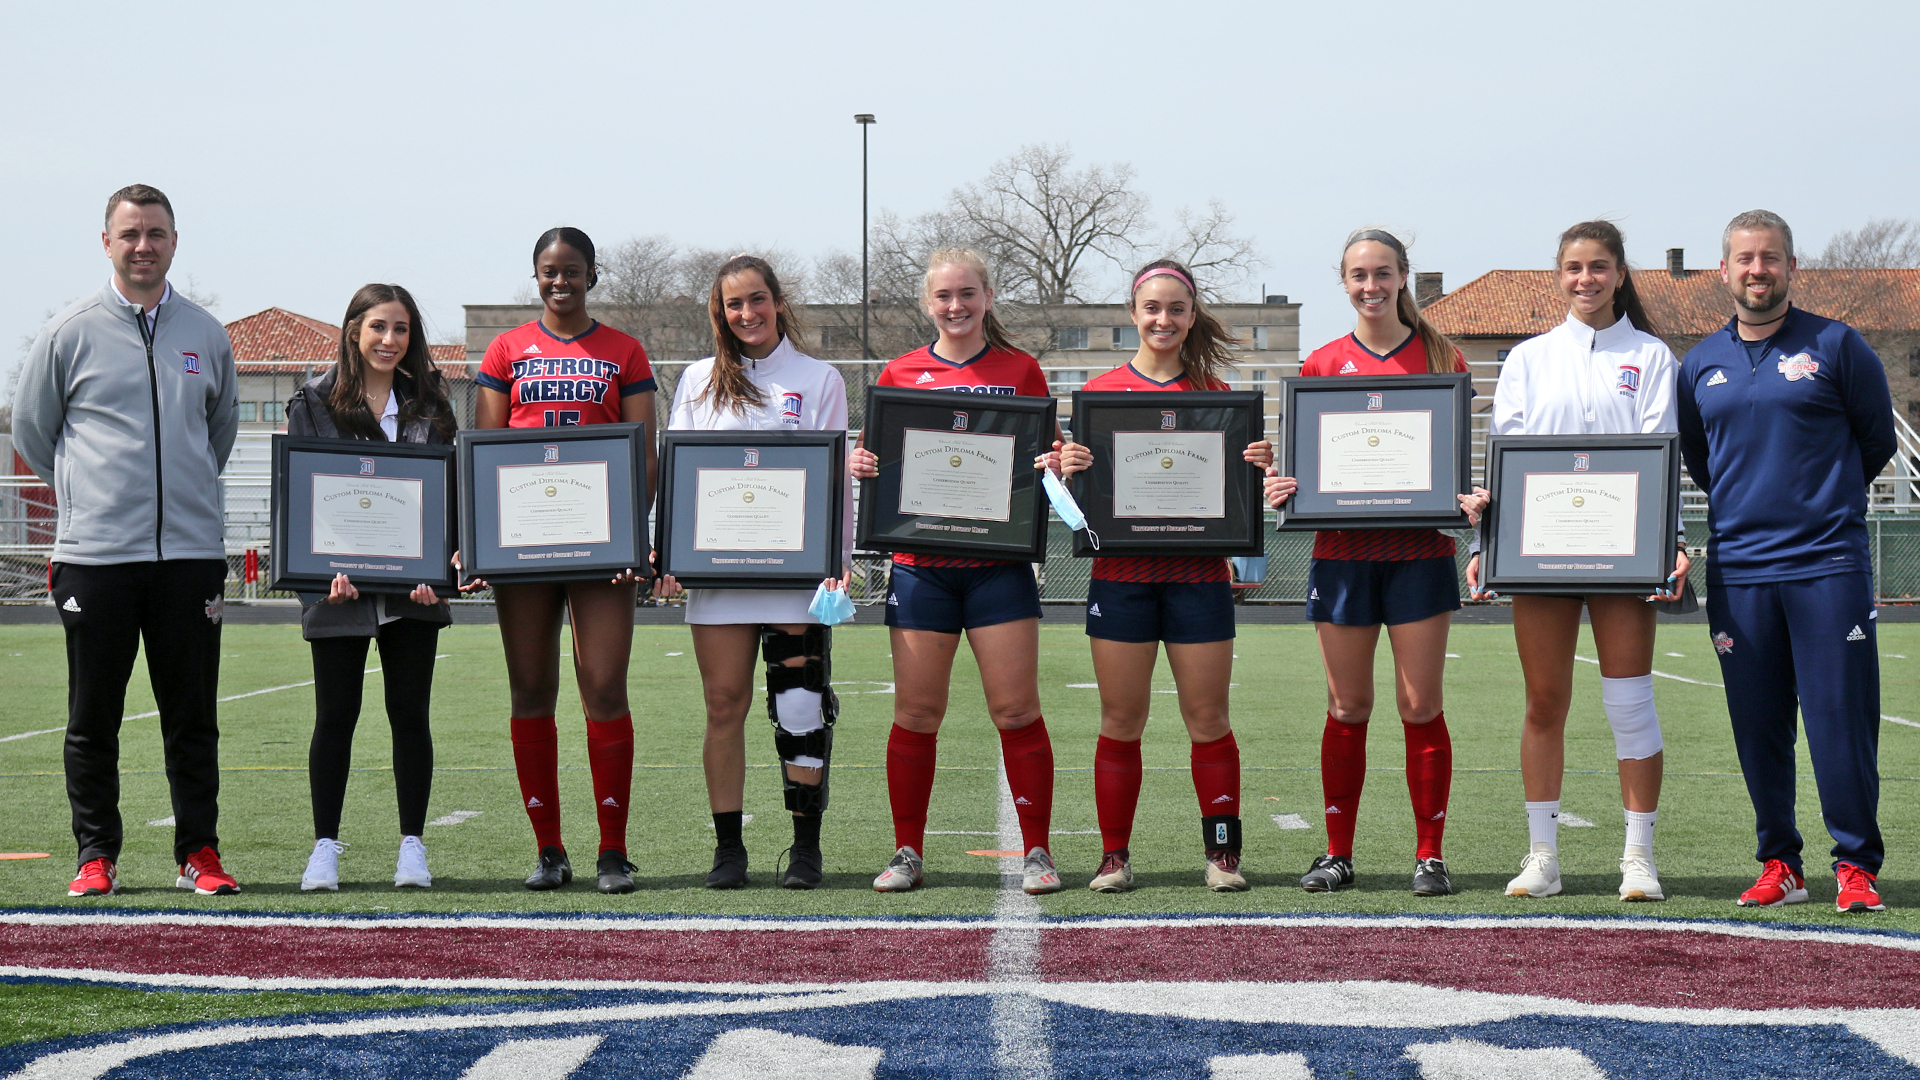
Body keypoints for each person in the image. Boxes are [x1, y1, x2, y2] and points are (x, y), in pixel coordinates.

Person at [14, 184, 242, 897]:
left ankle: (198, 852)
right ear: (106, 242)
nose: (144, 245)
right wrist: (94, 499)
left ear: (175, 241)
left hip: (189, 558)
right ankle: (95, 854)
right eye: (130, 233)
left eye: (157, 233)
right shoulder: (69, 332)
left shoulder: (206, 334)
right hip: (95, 558)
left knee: (191, 714)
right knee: (92, 715)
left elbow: (220, 433)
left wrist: (185, 497)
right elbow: (33, 431)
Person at [1678, 210, 1895, 914]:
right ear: (1724, 270)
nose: (1757, 270)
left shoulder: (1837, 345)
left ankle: (1855, 866)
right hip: (1739, 573)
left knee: (1840, 719)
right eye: (1744, 259)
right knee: (1759, 724)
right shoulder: (1700, 363)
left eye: (1770, 258)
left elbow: (1874, 442)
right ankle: (1782, 863)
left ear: (1791, 267)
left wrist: (1816, 501)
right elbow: (1703, 461)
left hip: (1826, 567)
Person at [1467, 221, 1690, 902]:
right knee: (1544, 703)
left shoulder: (1652, 356)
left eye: (1598, 267)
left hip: (1624, 557)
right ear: (1557, 275)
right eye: (1573, 268)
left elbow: (1664, 453)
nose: (1585, 279)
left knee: (1631, 703)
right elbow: (1503, 458)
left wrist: (1670, 544)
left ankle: (1638, 857)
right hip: (1541, 556)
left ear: (1621, 273)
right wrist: (1486, 548)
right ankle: (1543, 857)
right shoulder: (1528, 358)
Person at [1264, 228, 1485, 898]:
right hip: (1341, 556)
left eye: (1382, 274)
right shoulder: (1323, 366)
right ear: (1344, 282)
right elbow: (1306, 467)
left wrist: (1465, 496)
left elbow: (1453, 463)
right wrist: (1284, 487)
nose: (1371, 286)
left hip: (1419, 553)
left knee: (1420, 704)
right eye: (1359, 275)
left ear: (1402, 278)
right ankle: (1338, 853)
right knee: (1347, 704)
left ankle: (1429, 855)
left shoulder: (1444, 356)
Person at [1052, 259, 1271, 893]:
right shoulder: (1100, 394)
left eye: (1176, 309)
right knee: (1121, 721)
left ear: (1192, 314)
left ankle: (1223, 853)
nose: (1163, 320)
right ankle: (1114, 856)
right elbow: (1072, 498)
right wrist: (1069, 468)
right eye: (1152, 308)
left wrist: (1253, 462)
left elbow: (1238, 495)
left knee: (1209, 720)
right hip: (1121, 576)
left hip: (1197, 576)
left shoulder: (1219, 398)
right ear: (1133, 314)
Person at [848, 248, 1061, 895]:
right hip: (921, 569)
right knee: (915, 714)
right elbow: (888, 465)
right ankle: (907, 851)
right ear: (927, 303)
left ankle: (1038, 851)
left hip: (998, 569)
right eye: (943, 296)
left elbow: (1036, 466)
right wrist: (866, 468)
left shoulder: (1021, 371)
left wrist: (1050, 464)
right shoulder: (902, 372)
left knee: (1018, 710)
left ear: (988, 296)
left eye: (967, 293)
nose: (956, 306)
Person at [655, 255, 852, 890]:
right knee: (723, 705)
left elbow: (838, 483)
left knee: (800, 706)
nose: (747, 314)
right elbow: (675, 475)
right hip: (718, 579)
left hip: (797, 579)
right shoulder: (695, 380)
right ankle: (729, 849)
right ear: (720, 312)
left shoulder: (820, 379)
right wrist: (666, 552)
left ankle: (804, 846)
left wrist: (838, 563)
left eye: (757, 300)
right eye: (734, 304)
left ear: (778, 301)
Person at [473, 226, 658, 894]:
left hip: (600, 542)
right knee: (531, 689)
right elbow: (485, 447)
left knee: (604, 685)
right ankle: (549, 849)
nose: (560, 281)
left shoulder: (624, 350)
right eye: (549, 271)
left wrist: (628, 540)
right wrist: (487, 538)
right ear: (537, 276)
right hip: (524, 543)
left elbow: (643, 454)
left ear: (591, 275)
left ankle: (613, 849)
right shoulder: (506, 347)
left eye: (572, 270)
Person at [286, 284, 458, 891]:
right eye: (379, 327)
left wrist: (440, 573)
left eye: (402, 329)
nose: (390, 341)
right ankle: (324, 847)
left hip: (413, 593)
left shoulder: (432, 404)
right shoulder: (311, 401)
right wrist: (315, 578)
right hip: (338, 592)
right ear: (354, 329)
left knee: (410, 715)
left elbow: (448, 499)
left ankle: (413, 845)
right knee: (335, 716)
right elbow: (301, 498)